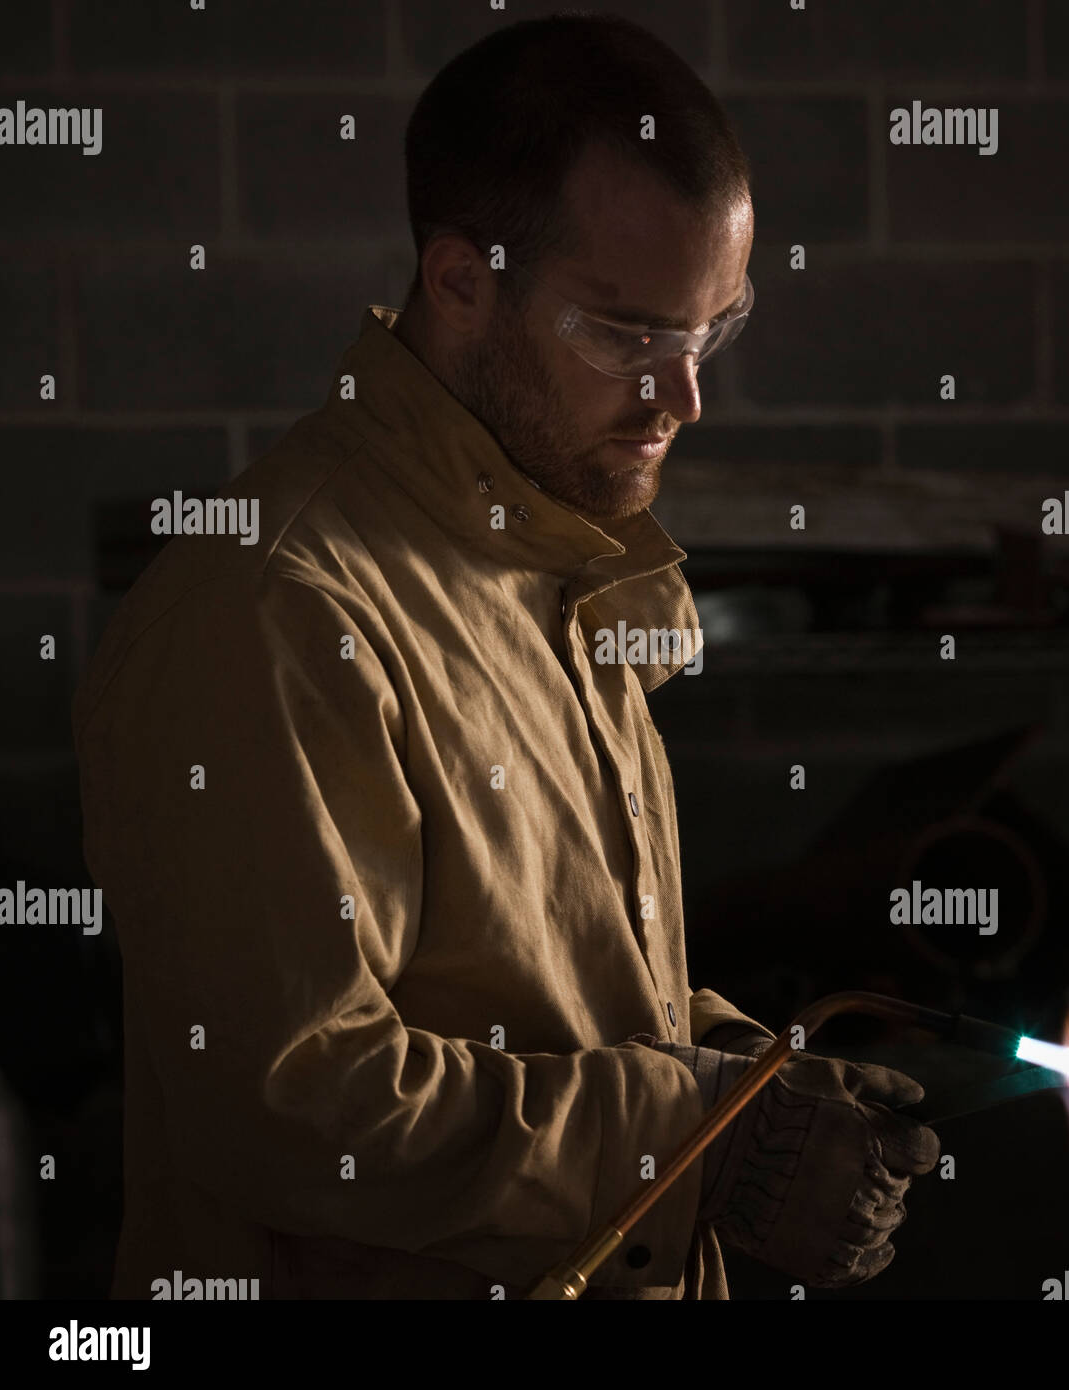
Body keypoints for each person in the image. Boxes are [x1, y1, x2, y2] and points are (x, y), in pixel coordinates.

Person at [71, 13, 937, 1301]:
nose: (682, 398)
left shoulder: (546, 557)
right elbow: (297, 1108)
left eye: (711, 334)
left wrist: (747, 1087)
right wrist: (687, 1152)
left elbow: (571, 1007)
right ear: (461, 282)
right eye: (626, 335)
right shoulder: (276, 612)